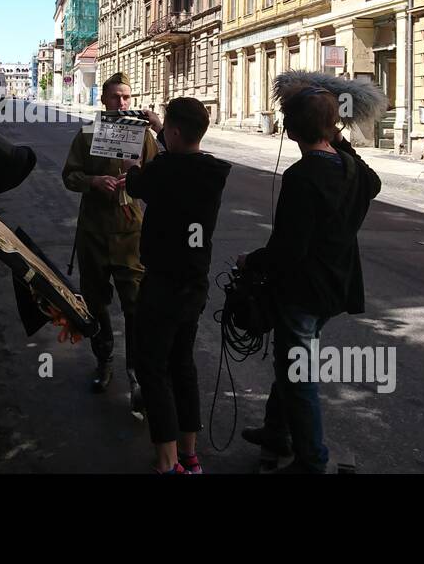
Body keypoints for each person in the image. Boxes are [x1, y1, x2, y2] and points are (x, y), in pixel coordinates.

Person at [237, 86, 381, 474]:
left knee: (298, 377)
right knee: (292, 364)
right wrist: (338, 137)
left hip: (303, 292)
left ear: (289, 130)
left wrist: (251, 260)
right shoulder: (355, 171)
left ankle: (312, 460)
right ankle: (275, 431)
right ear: (331, 128)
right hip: (336, 288)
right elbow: (374, 182)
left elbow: (289, 249)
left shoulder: (301, 176)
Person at [124, 97, 231, 474]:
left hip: (162, 283)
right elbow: (180, 157)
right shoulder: (211, 171)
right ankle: (189, 454)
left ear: (174, 132)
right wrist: (158, 127)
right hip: (194, 282)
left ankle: (166, 462)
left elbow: (137, 181)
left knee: (152, 367)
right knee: (182, 365)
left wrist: (130, 160)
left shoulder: (162, 170)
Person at [61, 71, 158, 412]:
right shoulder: (88, 133)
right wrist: (92, 181)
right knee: (96, 302)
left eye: (127, 97)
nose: (122, 103)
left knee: (135, 307)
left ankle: (136, 373)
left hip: (130, 232)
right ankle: (104, 361)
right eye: (115, 97)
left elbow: (158, 176)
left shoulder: (142, 134)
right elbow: (69, 176)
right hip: (93, 231)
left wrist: (135, 181)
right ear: (103, 99)